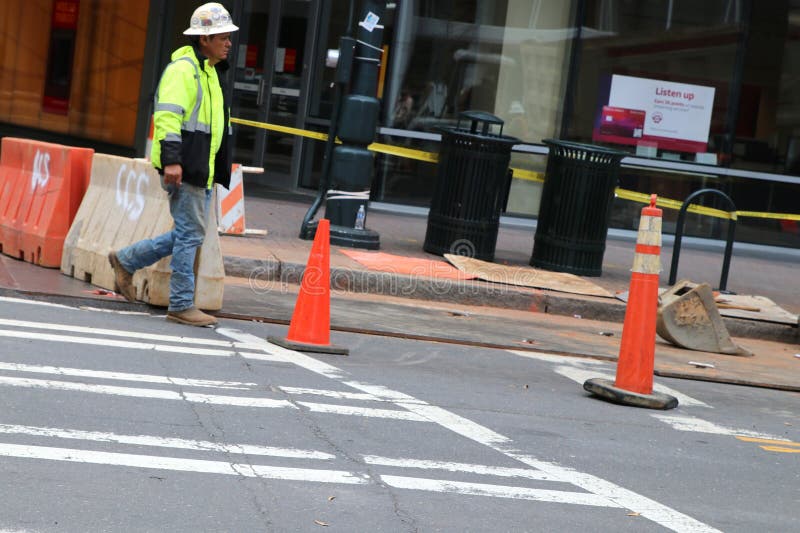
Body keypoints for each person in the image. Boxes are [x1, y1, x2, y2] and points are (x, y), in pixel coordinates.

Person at [108, 2, 238, 327]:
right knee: (191, 233)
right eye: (223, 36)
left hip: (200, 166)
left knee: (188, 232)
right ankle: (181, 304)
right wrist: (172, 162)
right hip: (186, 166)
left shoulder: (209, 72)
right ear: (204, 39)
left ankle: (126, 261)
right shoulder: (184, 70)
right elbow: (168, 118)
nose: (229, 42)